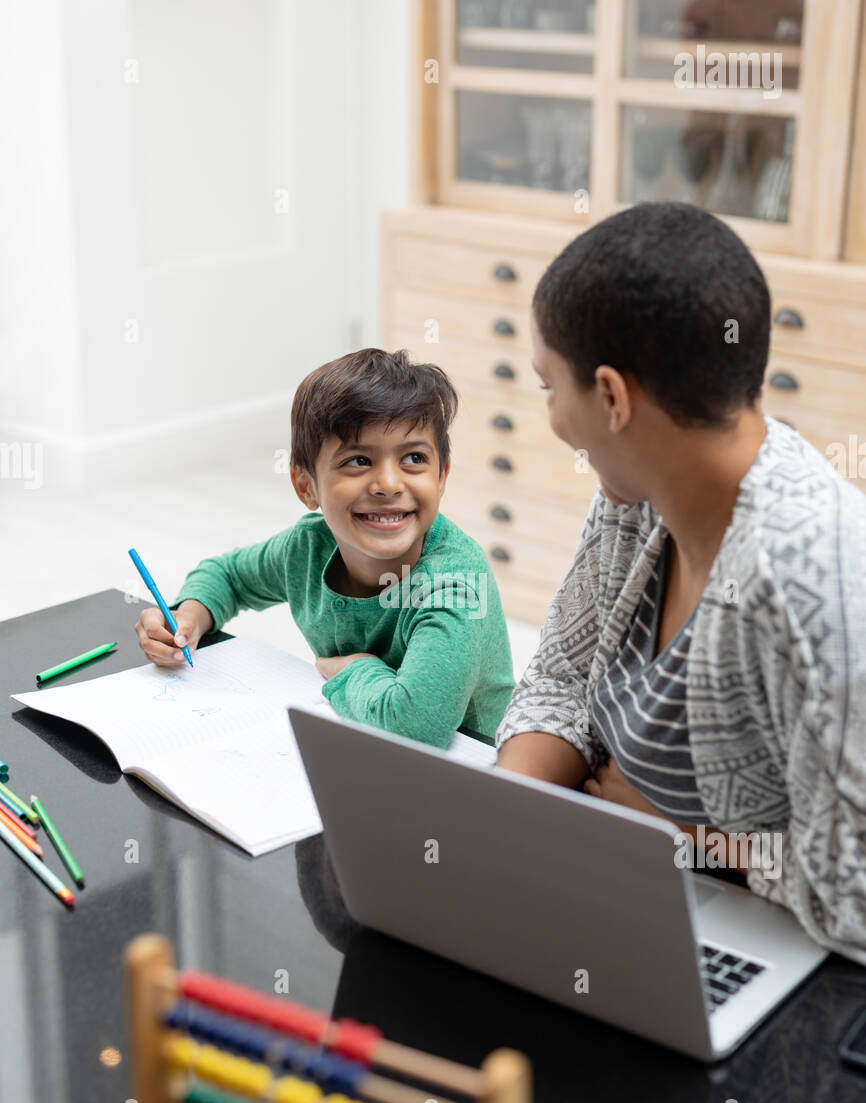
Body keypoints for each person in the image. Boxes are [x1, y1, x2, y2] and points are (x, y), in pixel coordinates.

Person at [496, 202, 866, 964]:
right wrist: (508, 811)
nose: (553, 418)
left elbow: (852, 895)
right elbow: (563, 675)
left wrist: (689, 840)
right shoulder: (641, 490)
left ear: (611, 398)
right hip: (632, 895)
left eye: (548, 388)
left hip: (782, 962)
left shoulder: (806, 579)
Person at [135, 348, 514, 749]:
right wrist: (189, 616)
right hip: (361, 740)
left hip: (474, 764)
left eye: (414, 458)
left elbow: (416, 725)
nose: (388, 483)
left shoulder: (455, 580)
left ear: (442, 476)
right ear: (305, 486)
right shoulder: (307, 547)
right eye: (358, 460)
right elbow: (227, 575)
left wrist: (354, 670)